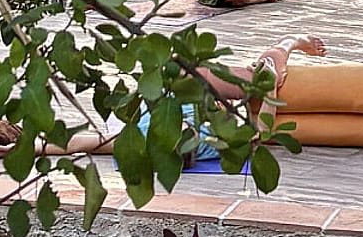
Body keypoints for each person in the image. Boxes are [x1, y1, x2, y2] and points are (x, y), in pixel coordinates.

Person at [38, 34, 328, 156]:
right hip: (214, 93)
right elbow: (260, 135)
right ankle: (292, 42)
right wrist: (269, 88)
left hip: (180, 88)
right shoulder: (209, 144)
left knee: (188, 70)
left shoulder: (147, 136)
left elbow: (81, 143)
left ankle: (288, 45)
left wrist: (33, 147)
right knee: (264, 74)